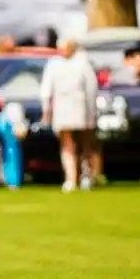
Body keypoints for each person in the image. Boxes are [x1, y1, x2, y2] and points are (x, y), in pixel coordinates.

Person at [40, 38, 101, 191]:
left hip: (81, 107)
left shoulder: (82, 63)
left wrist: (92, 110)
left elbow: (91, 89)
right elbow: (46, 89)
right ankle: (71, 178)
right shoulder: (53, 64)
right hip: (62, 108)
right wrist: (46, 110)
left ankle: (86, 176)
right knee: (67, 144)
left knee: (85, 143)